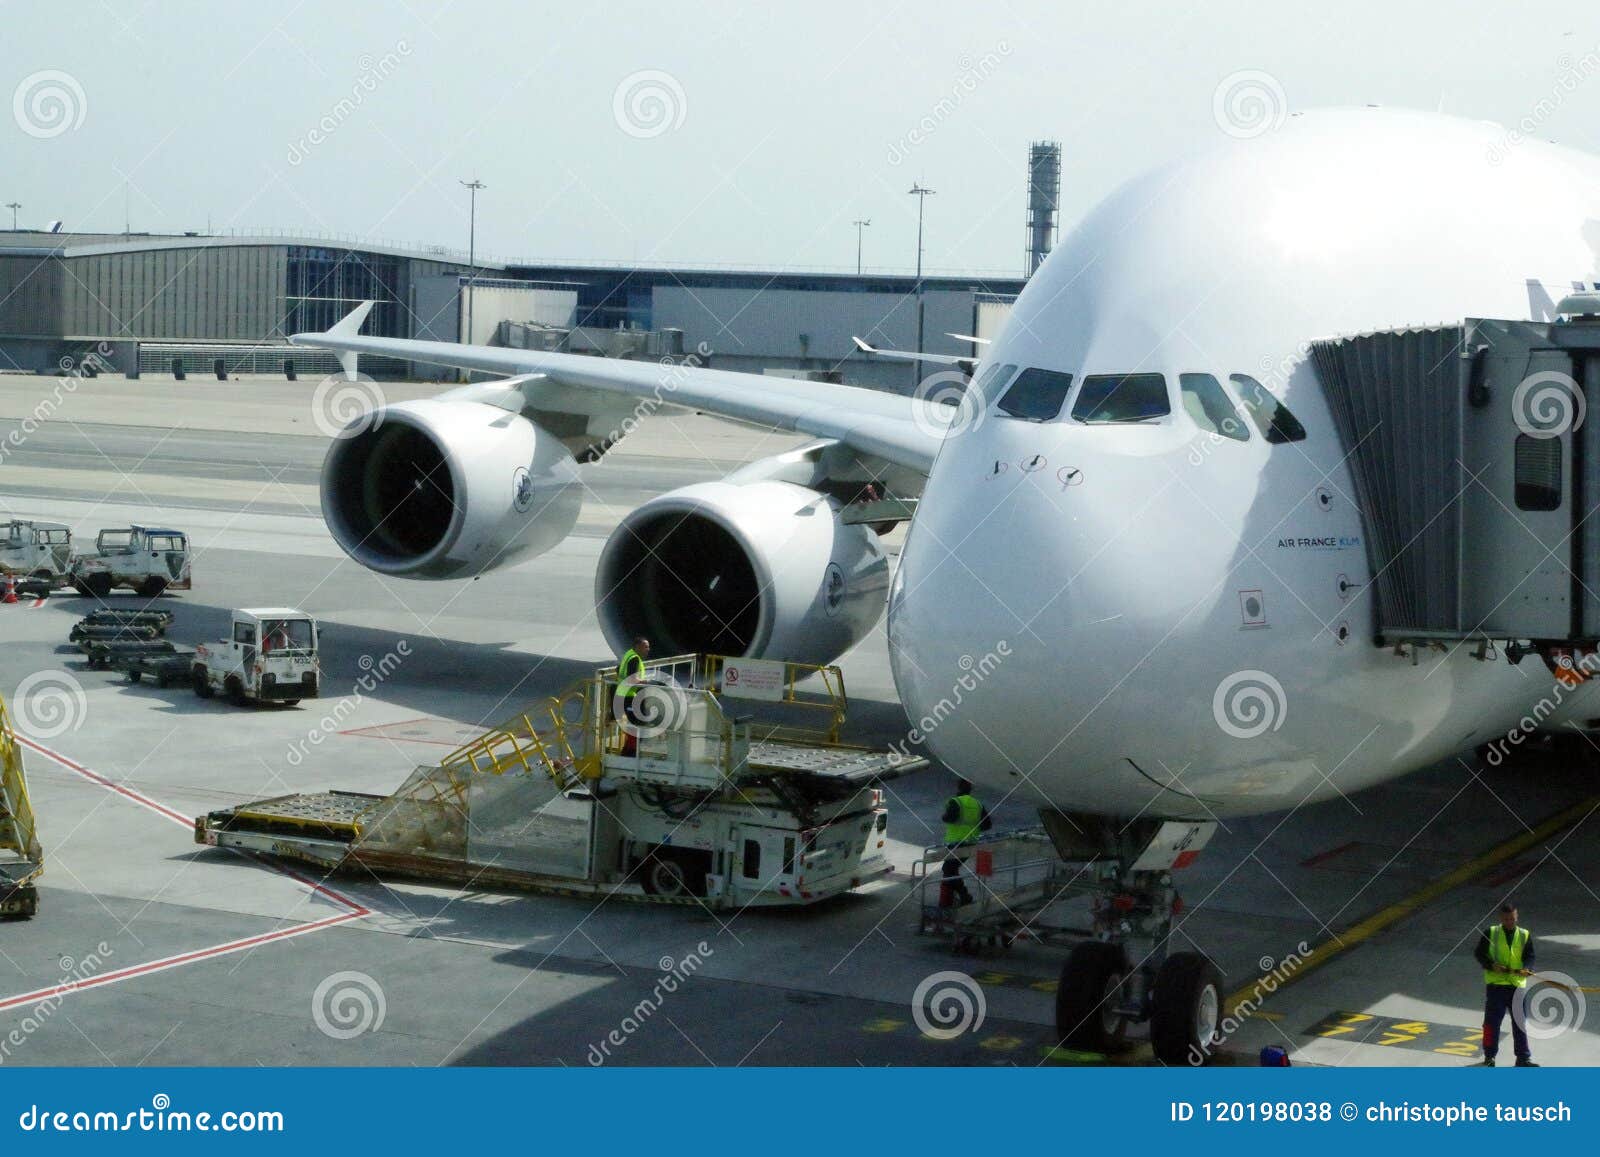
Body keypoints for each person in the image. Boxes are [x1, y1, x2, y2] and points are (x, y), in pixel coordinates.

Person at [1475, 901, 1539, 1067]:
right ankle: (1489, 1056)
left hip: (1517, 984)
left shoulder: (1524, 934)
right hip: (1497, 985)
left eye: (1512, 919)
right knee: (1491, 1023)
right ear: (1501, 918)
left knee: (1520, 1023)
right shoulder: (1491, 932)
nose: (1510, 922)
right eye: (1506, 919)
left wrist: (1527, 968)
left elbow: (1530, 956)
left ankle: (1523, 1058)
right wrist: (1491, 965)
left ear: (1517, 917)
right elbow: (1479, 953)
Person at [940, 777, 992, 907]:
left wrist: (944, 816)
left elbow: (948, 818)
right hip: (971, 843)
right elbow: (987, 825)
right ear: (970, 789)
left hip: (956, 843)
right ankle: (954, 898)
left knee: (948, 869)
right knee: (951, 869)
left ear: (958, 787)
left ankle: (963, 895)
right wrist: (973, 828)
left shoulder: (955, 802)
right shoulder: (977, 804)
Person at [615, 637, 650, 755]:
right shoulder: (634, 659)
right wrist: (645, 682)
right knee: (638, 726)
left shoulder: (628, 654)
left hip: (623, 695)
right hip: (629, 697)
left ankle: (628, 753)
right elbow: (632, 679)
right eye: (645, 647)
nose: (648, 649)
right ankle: (629, 754)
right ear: (638, 647)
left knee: (635, 726)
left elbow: (618, 669)